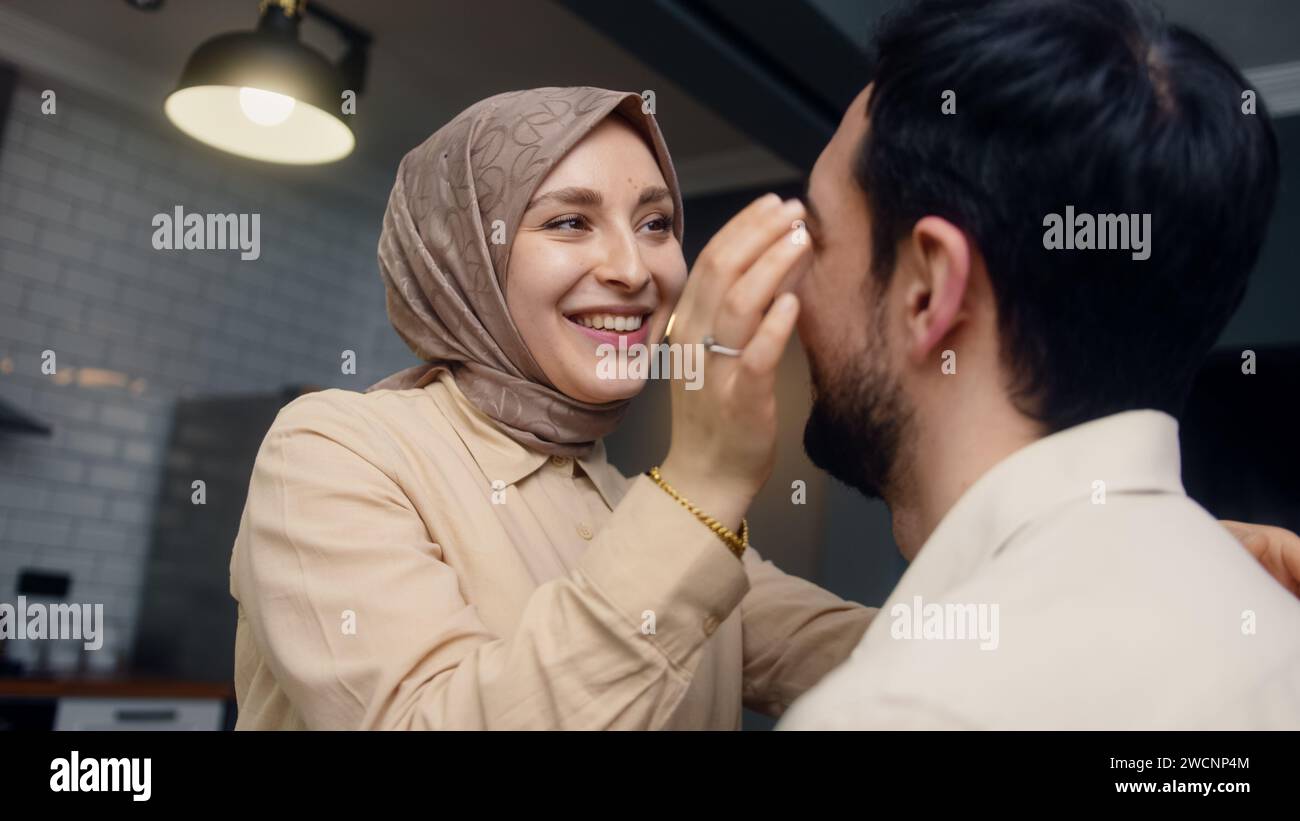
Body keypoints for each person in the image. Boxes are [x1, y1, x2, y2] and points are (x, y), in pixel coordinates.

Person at [229, 84, 1299, 730]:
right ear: (458, 258)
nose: (634, 267)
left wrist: (1147, 564)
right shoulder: (341, 446)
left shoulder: (625, 504)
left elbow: (906, 652)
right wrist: (698, 481)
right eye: (568, 222)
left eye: (655, 222)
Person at [777, 0, 1300, 729]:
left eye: (818, 237)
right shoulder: (1278, 635)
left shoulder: (900, 711)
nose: (791, 283)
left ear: (928, 290)